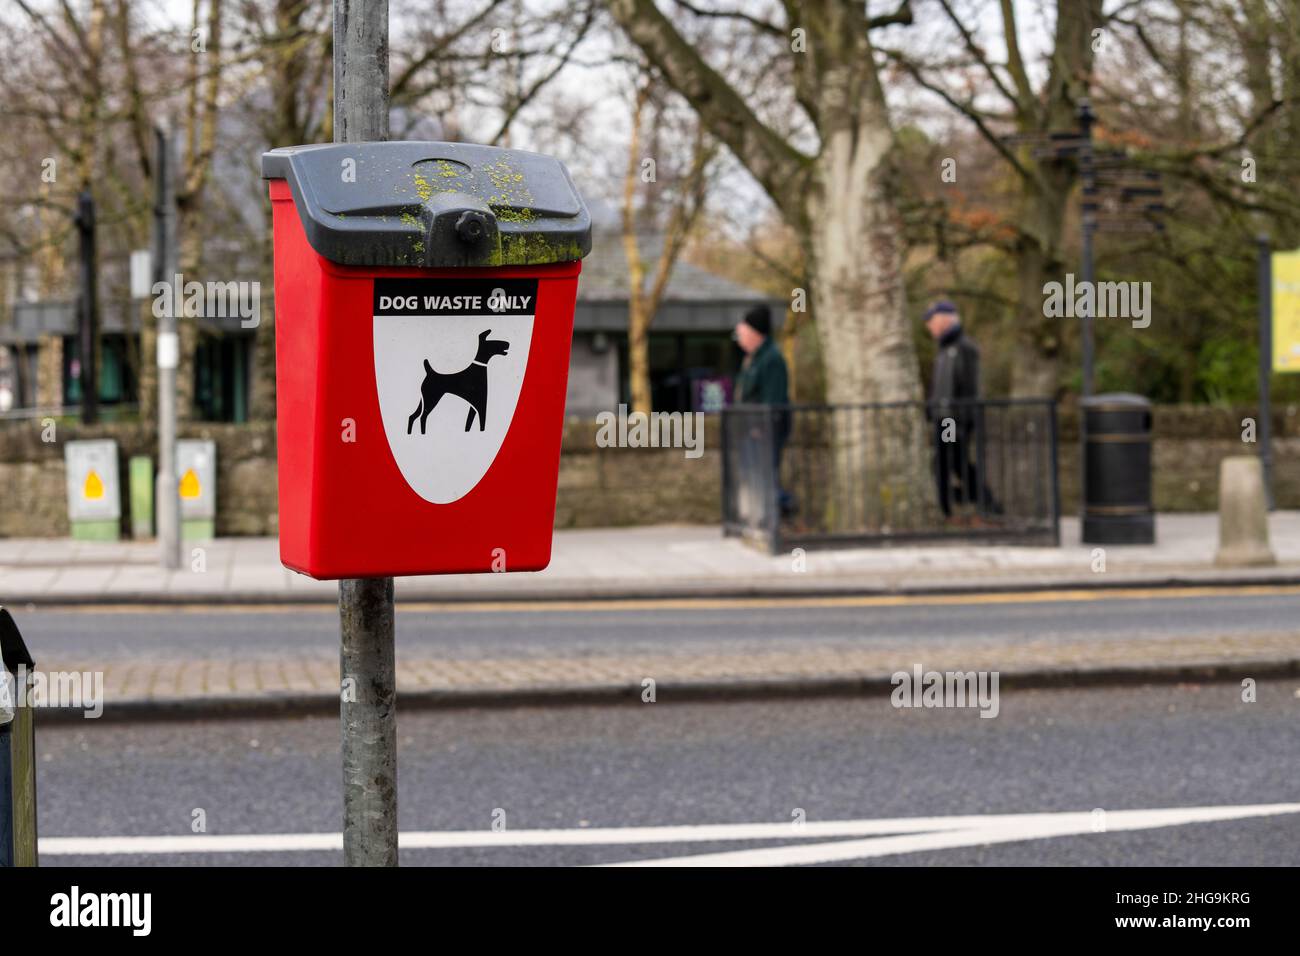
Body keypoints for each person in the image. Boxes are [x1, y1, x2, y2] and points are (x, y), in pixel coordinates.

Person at [923, 299, 999, 519]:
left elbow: (969, 387)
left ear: (945, 321)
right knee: (952, 462)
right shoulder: (945, 350)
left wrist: (963, 422)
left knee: (947, 462)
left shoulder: (963, 348)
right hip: (944, 417)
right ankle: (981, 501)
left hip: (952, 419)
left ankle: (955, 505)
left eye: (932, 322)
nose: (930, 327)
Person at [734, 305, 794, 516]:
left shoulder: (771, 359)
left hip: (763, 432)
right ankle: (758, 518)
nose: (739, 339)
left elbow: (773, 399)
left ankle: (774, 516)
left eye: (742, 334)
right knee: (753, 475)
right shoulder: (753, 359)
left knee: (765, 475)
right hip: (751, 431)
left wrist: (760, 427)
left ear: (754, 333)